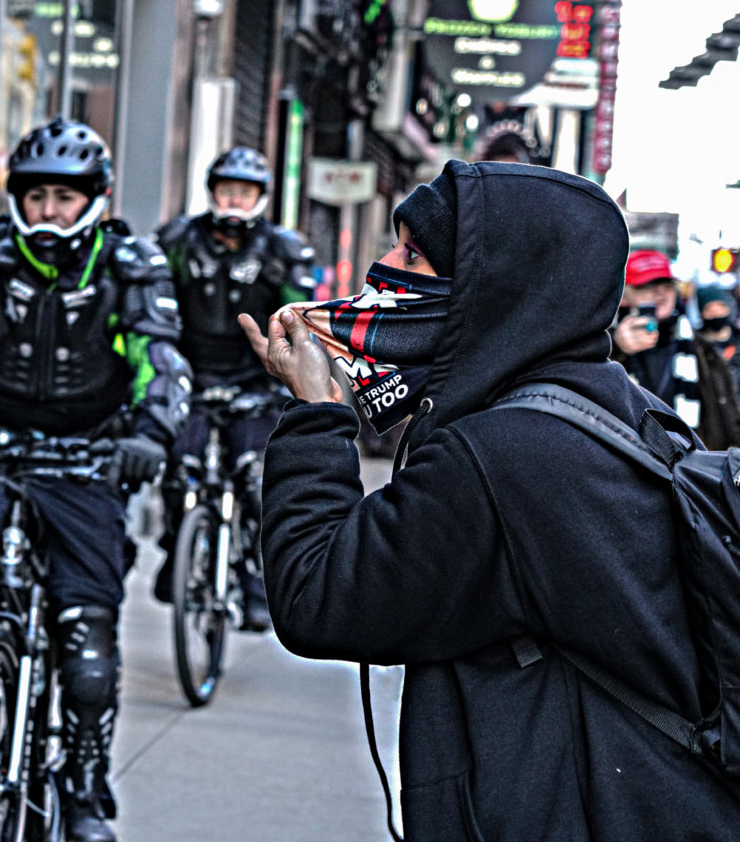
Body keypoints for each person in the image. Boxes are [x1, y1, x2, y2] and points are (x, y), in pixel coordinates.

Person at [242, 159, 740, 839]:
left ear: (494, 282)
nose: (382, 267)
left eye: (411, 253)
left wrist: (316, 412)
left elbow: (318, 594)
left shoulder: (499, 455)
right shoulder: (625, 409)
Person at [0, 117, 189, 842]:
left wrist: (150, 434)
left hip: (89, 454)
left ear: (94, 199)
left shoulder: (129, 264)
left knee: (87, 643)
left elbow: (159, 360)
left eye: (65, 199)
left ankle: (86, 785)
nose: (48, 212)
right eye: (36, 197)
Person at [151, 145, 312, 627]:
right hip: (190, 373)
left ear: (260, 197)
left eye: (245, 193)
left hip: (255, 379)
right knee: (182, 469)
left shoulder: (282, 248)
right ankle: (175, 549)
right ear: (212, 192)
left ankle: (254, 578)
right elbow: (154, 308)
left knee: (254, 478)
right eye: (227, 191)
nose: (235, 201)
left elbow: (298, 317)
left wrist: (297, 374)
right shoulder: (177, 239)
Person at [611, 249, 740, 449]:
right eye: (648, 284)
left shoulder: (703, 348)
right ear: (624, 295)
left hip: (690, 466)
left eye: (666, 284)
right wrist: (616, 349)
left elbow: (728, 419)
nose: (660, 291)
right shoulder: (602, 344)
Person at [694, 283, 740, 392]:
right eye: (709, 308)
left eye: (720, 306)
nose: (716, 313)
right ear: (702, 313)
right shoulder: (695, 346)